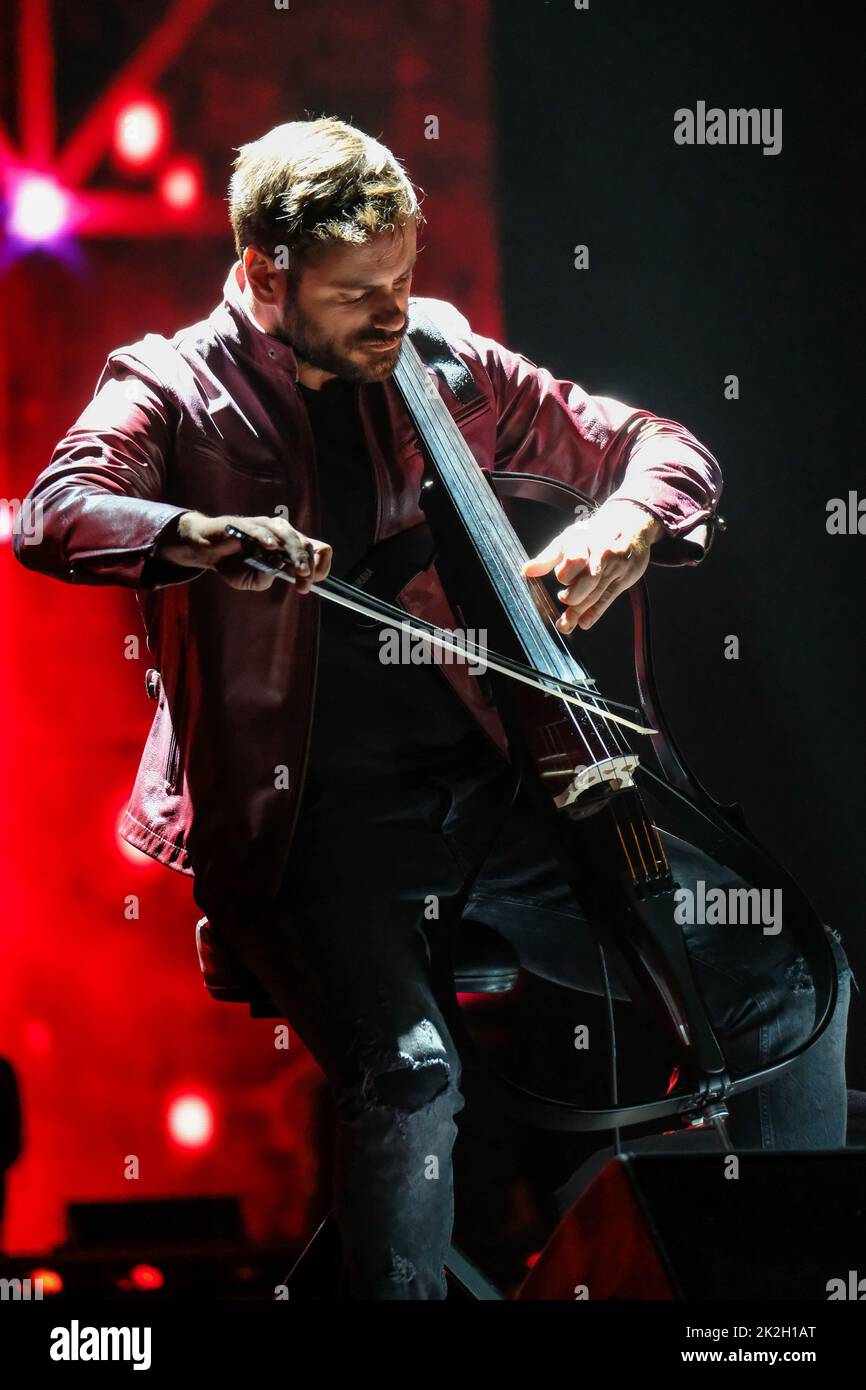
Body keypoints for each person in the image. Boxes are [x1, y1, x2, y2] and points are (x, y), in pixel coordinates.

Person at [13, 117, 851, 1300]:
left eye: (403, 277)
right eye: (360, 292)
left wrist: (630, 516)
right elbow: (56, 510)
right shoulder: (170, 387)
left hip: (497, 794)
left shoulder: (445, 361)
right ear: (262, 274)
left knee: (788, 978)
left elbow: (655, 442)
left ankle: (787, 1305)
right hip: (307, 831)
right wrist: (193, 534)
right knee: (408, 1077)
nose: (395, 312)